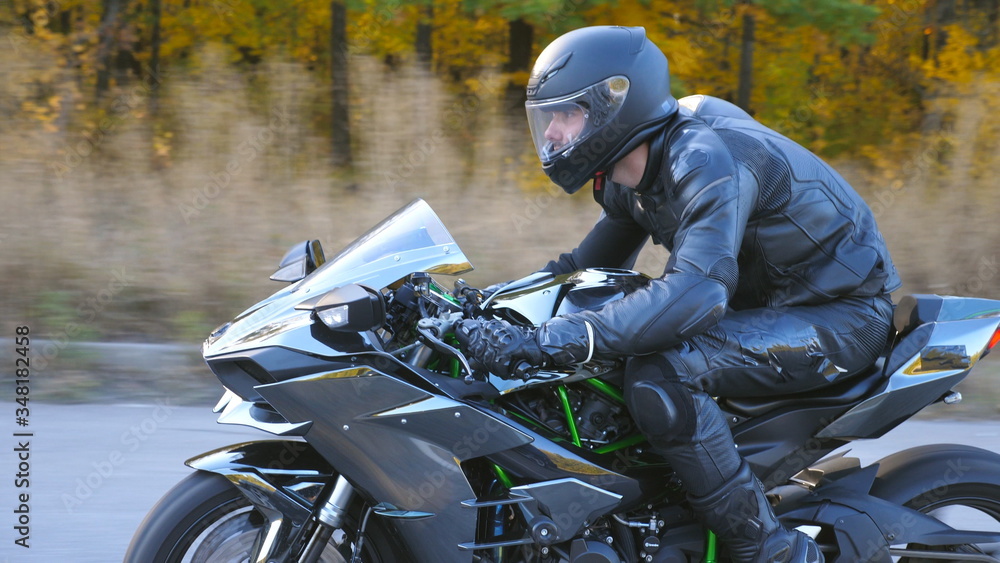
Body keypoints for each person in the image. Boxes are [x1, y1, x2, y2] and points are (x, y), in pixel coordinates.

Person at [455, 25, 900, 563]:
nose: (551, 133)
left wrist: (549, 341)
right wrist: (475, 309)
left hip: (843, 315)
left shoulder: (706, 159)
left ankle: (767, 548)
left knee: (662, 372)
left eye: (565, 114)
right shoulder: (628, 172)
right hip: (763, 311)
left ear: (613, 105)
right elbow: (577, 271)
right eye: (548, 118)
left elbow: (697, 292)